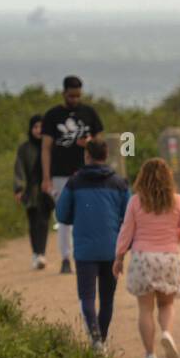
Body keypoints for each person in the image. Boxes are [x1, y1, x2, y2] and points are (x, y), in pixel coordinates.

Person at [114, 158, 180, 358]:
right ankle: (166, 332)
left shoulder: (135, 201)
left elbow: (126, 232)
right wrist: (177, 236)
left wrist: (119, 257)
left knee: (145, 309)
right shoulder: (177, 201)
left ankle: (150, 355)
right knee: (167, 304)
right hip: (169, 258)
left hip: (143, 259)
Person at [56, 138, 129, 353]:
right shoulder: (119, 183)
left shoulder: (74, 182)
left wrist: (75, 218)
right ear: (105, 156)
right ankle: (102, 340)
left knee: (87, 297)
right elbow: (128, 216)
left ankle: (95, 339)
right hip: (112, 249)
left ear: (87, 156)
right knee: (107, 299)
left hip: (85, 250)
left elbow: (61, 214)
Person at [40, 75, 105, 274]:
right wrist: (46, 177)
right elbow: (46, 148)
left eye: (78, 96)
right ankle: (66, 257)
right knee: (64, 218)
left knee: (86, 215)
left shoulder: (89, 113)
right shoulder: (52, 115)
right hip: (60, 174)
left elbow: (100, 145)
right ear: (64, 93)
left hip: (86, 172)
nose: (75, 100)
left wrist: (89, 144)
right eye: (71, 96)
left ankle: (83, 255)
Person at [13, 115, 52, 270]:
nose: (38, 130)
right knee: (33, 222)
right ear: (31, 129)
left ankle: (41, 253)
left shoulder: (49, 146)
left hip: (46, 190)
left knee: (44, 222)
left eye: (41, 127)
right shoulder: (24, 149)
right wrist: (18, 188)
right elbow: (19, 169)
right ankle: (36, 253)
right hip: (30, 192)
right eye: (35, 127)